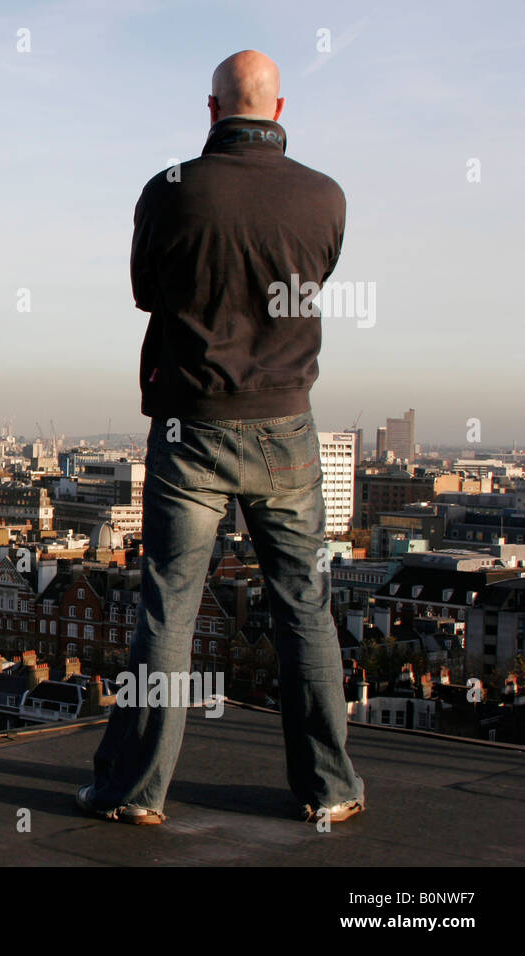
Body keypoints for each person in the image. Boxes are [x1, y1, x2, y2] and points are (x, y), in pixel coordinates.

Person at [76, 50, 365, 826]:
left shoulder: (171, 191)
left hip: (192, 423)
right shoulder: (325, 197)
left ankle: (136, 791)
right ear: (278, 112)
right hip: (286, 425)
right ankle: (329, 786)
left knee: (169, 608)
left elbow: (145, 291)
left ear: (211, 112)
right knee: (303, 605)